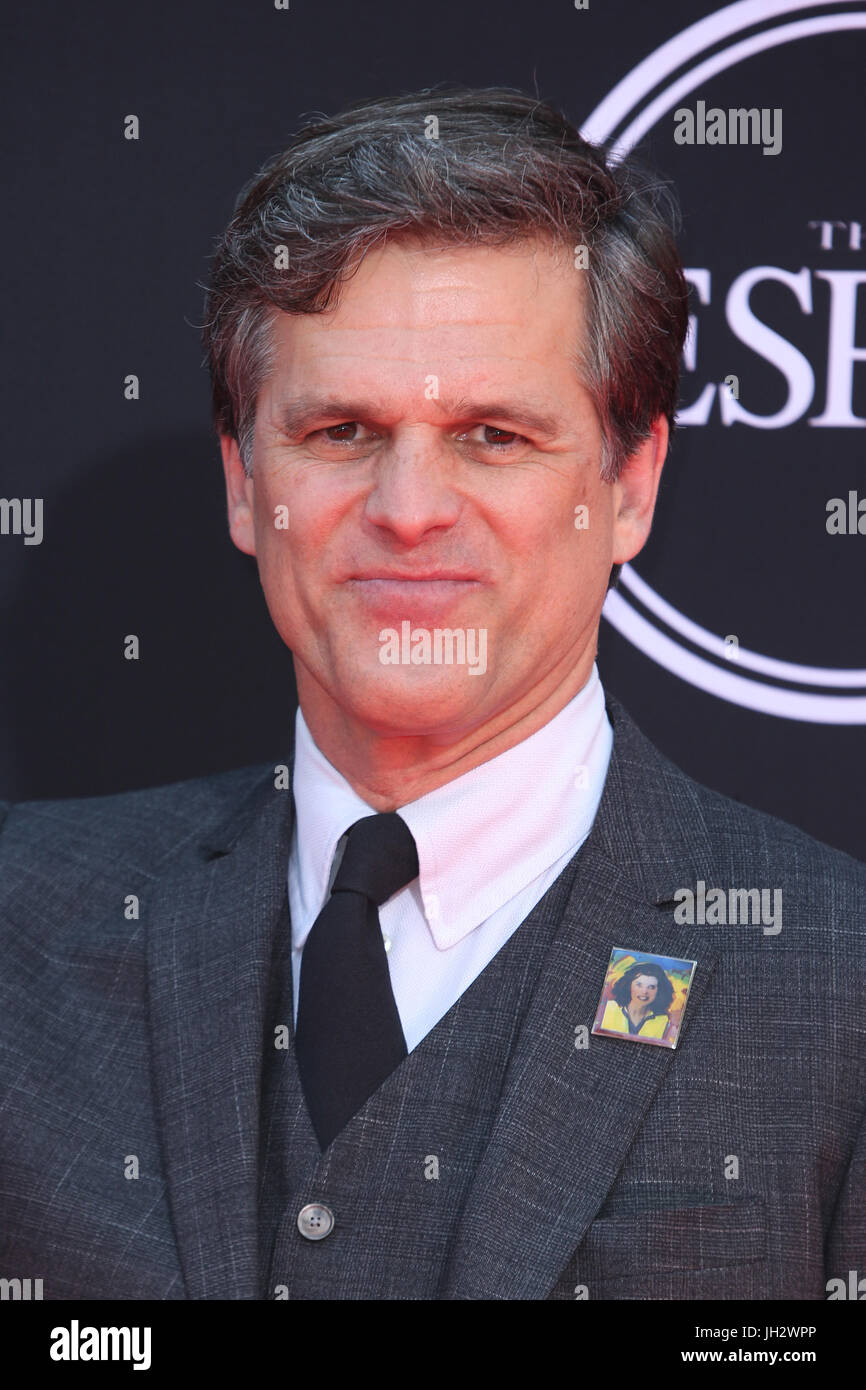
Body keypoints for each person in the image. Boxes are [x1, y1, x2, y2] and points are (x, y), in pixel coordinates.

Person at [0, 86, 863, 1302]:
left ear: (628, 486)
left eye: (492, 436)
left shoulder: (839, 990)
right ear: (245, 484)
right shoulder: (17, 929)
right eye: (343, 430)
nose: (408, 511)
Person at [599, 962, 675, 1040]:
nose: (644, 991)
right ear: (629, 986)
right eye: (639, 985)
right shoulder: (609, 1008)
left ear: (659, 991)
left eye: (651, 987)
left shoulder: (663, 1021)